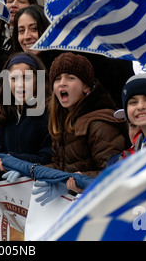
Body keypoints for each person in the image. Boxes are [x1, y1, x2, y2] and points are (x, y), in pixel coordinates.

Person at [46, 53, 129, 190]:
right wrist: (30, 171)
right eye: (57, 79)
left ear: (86, 87)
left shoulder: (100, 124)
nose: (62, 83)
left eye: (70, 78)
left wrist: (82, 180)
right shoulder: (61, 119)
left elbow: (113, 173)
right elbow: (58, 165)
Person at [0, 52, 52, 180]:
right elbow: (2, 154)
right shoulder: (4, 114)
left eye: (26, 78)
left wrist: (13, 160)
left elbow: (48, 158)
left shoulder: (48, 114)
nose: (20, 84)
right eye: (14, 79)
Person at [12, 4, 61, 70]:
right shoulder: (11, 68)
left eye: (34, 28)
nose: (26, 37)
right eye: (21, 30)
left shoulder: (64, 67)